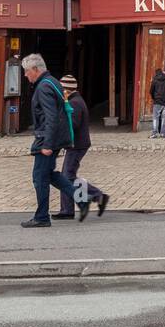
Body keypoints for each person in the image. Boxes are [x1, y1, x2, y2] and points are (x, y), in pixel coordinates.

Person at [20, 54, 89, 227]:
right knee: (49, 174)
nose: (25, 75)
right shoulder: (53, 82)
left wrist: (47, 144)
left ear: (35, 70)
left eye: (27, 71)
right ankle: (80, 199)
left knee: (39, 177)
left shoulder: (44, 87)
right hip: (56, 137)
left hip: (47, 139)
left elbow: (51, 117)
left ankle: (42, 217)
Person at [55, 75, 110, 220]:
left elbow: (72, 124)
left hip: (77, 145)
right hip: (76, 145)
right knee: (67, 176)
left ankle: (97, 196)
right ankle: (67, 209)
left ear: (66, 90)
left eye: (61, 90)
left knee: (67, 177)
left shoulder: (75, 103)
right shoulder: (75, 101)